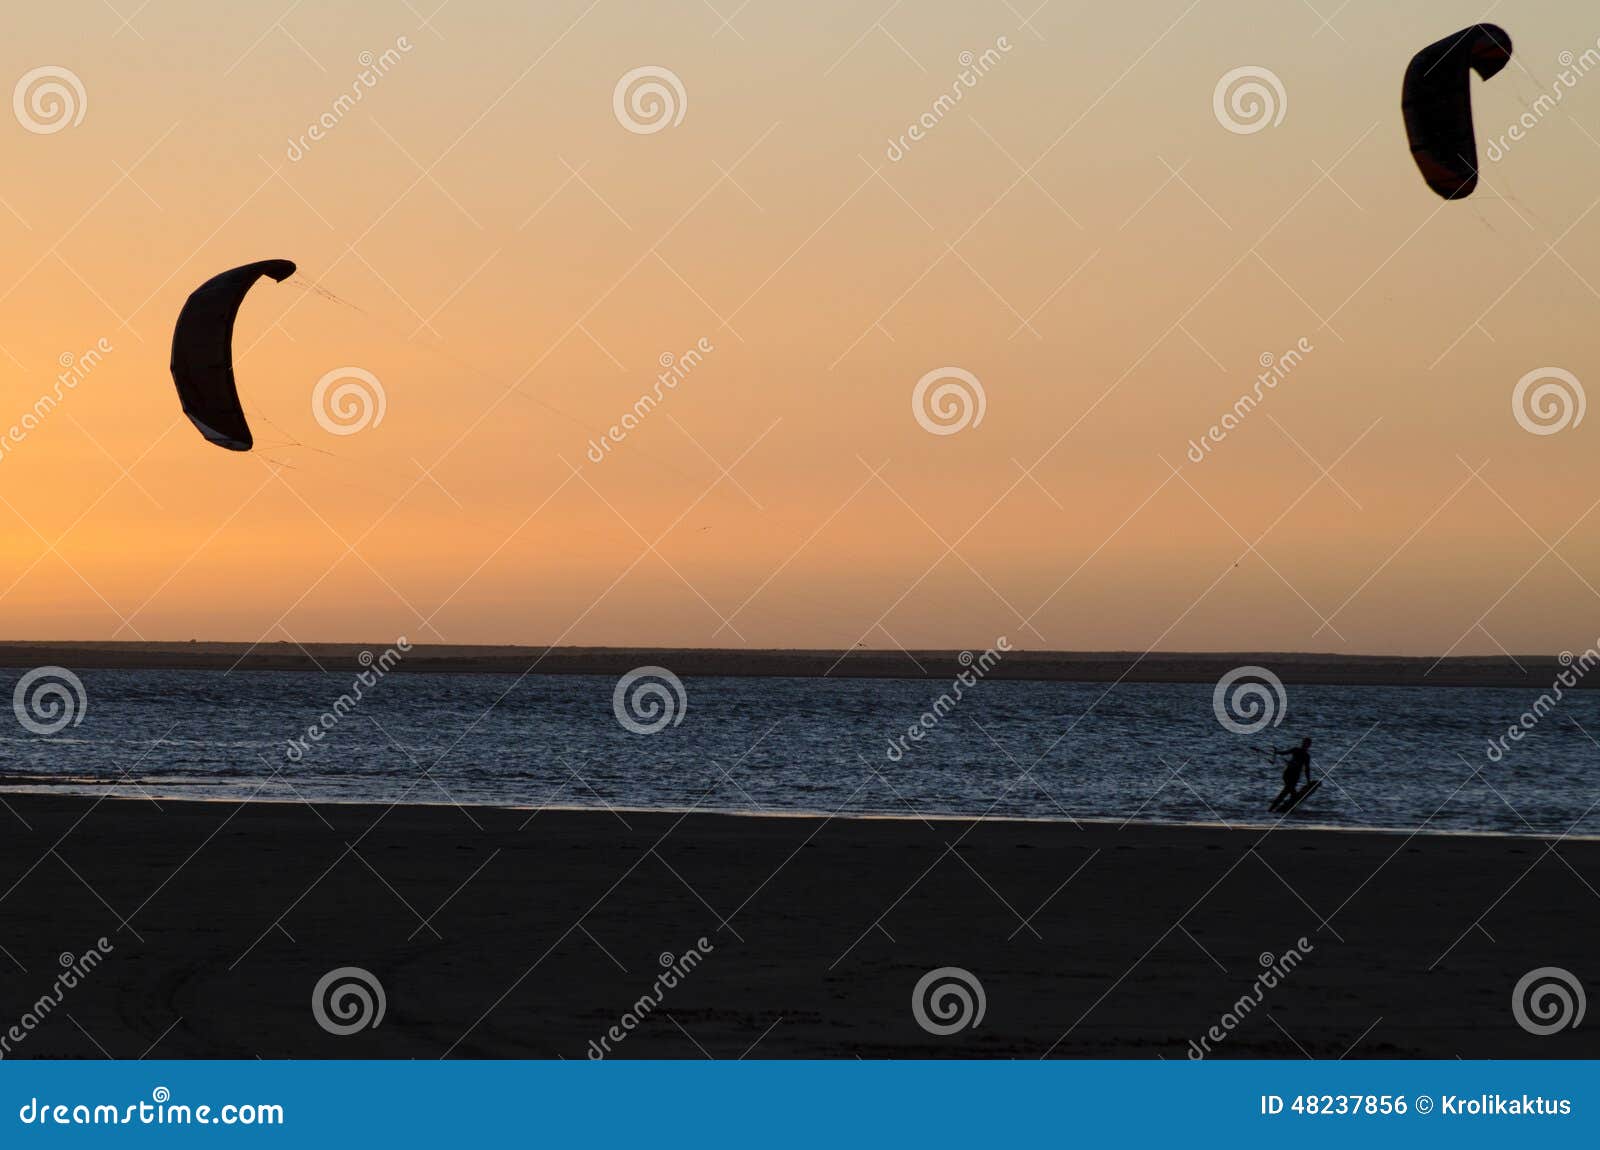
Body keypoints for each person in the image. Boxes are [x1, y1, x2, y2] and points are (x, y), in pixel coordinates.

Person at [1268, 737, 1313, 811]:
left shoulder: (1306, 756)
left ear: (1309, 745)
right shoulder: (1296, 750)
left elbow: (1307, 769)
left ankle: (1276, 808)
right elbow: (1284, 753)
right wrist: (1276, 752)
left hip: (1295, 776)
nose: (1306, 745)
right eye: (1305, 743)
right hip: (1288, 774)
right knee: (1288, 791)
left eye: (1307, 744)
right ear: (1303, 743)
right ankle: (1275, 808)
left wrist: (1308, 781)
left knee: (1287, 791)